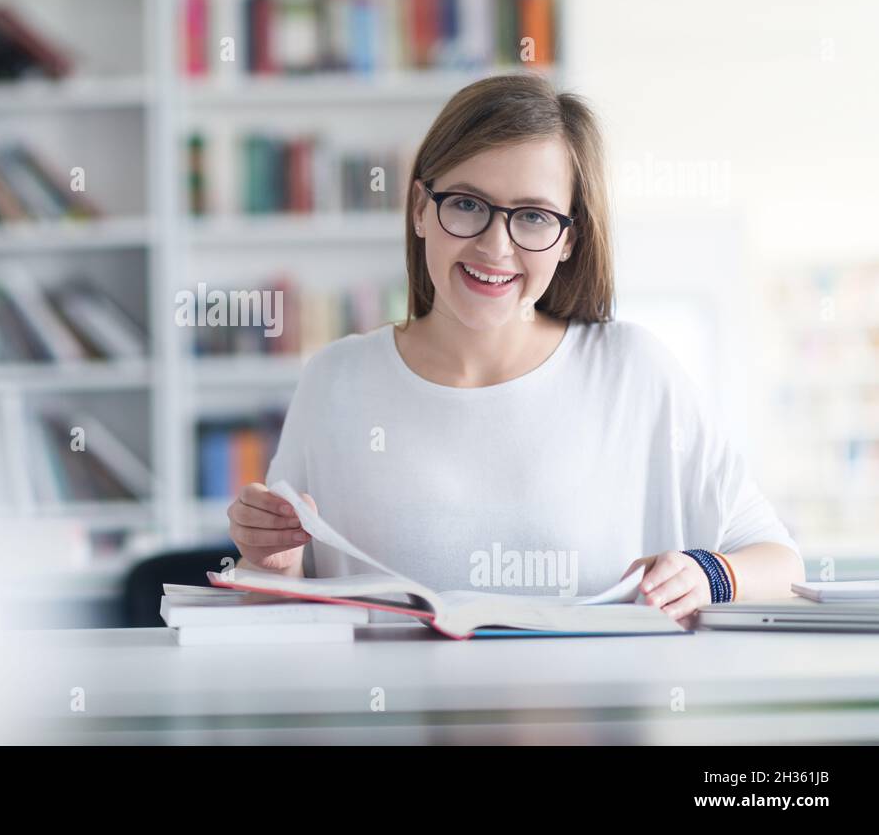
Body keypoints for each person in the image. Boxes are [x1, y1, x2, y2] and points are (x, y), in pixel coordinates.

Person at [225, 73, 804, 624]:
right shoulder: (335, 381)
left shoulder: (636, 373)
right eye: (468, 205)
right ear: (422, 209)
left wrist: (711, 574)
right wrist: (271, 565)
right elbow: (276, 617)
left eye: (532, 216)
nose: (494, 247)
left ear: (569, 239)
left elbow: (781, 563)